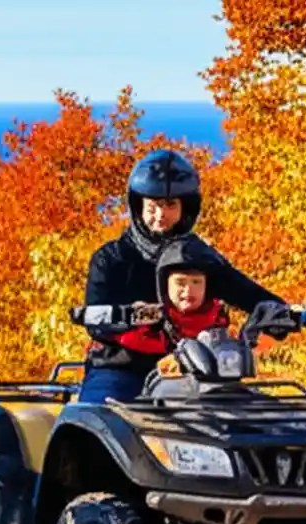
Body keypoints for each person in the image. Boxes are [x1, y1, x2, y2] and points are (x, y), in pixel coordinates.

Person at [79, 148, 285, 403]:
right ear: (137, 206)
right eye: (153, 206)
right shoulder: (110, 258)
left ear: (185, 208)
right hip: (120, 366)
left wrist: (280, 311)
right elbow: (94, 316)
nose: (160, 215)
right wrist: (128, 315)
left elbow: (240, 288)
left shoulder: (199, 258)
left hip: (193, 367)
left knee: (251, 414)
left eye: (170, 205)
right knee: (98, 419)